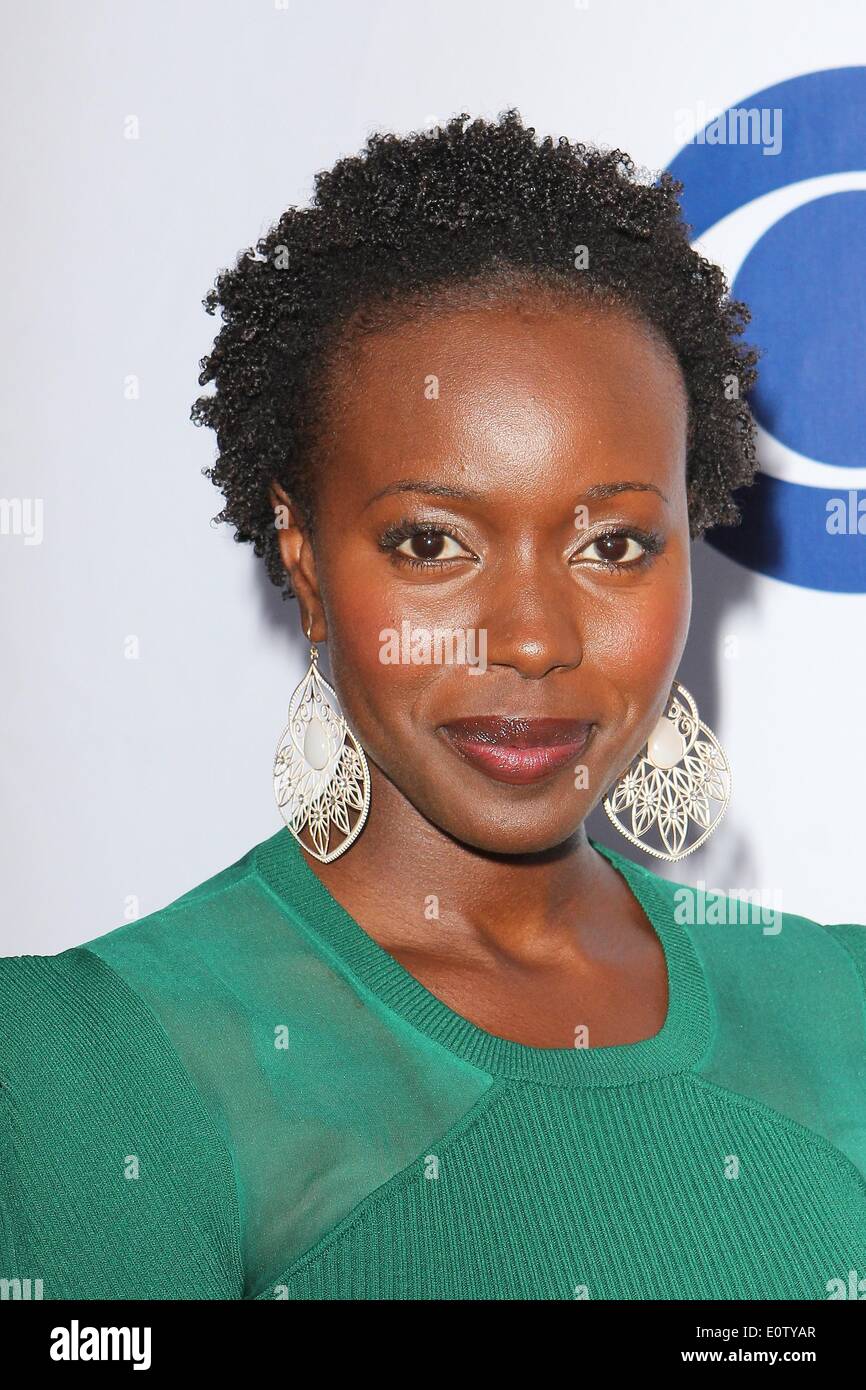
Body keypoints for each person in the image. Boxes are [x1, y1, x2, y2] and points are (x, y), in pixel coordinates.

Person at [2, 111, 864, 1302]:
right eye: (431, 541)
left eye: (612, 543)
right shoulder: (95, 1060)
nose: (529, 637)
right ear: (302, 558)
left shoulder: (840, 1008)